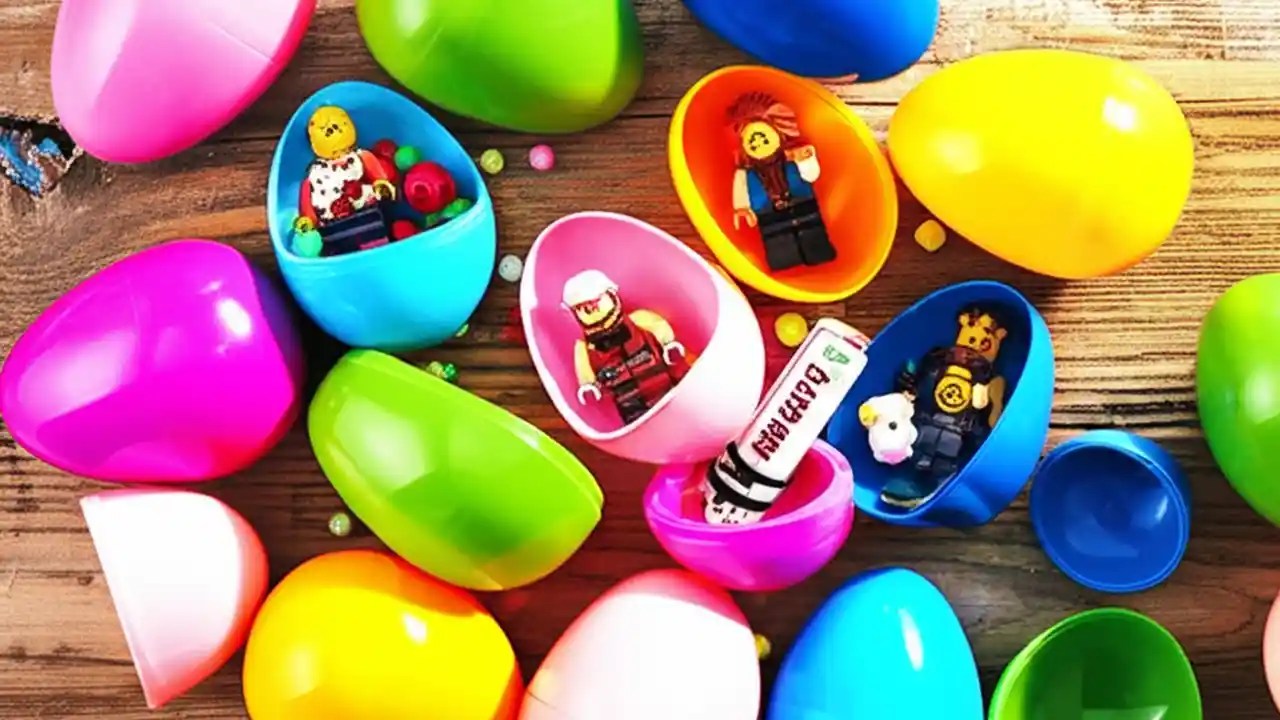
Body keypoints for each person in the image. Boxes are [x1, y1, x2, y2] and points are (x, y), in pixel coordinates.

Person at [874, 307, 1009, 510]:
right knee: (916, 449)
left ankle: (936, 482)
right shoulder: (936, 365)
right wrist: (908, 386)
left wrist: (993, 403)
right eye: (972, 338)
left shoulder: (989, 381)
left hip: (957, 434)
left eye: (984, 341)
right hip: (925, 423)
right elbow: (917, 390)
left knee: (944, 455)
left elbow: (992, 420)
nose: (972, 350)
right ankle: (913, 478)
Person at [727, 92, 836, 271]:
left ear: (779, 133)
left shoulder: (795, 156)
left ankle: (818, 255)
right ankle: (786, 264)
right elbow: (740, 188)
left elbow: (811, 176)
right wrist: (742, 208)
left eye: (763, 138)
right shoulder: (745, 172)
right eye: (752, 142)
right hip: (768, 213)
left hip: (803, 205)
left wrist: (806, 159)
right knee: (779, 244)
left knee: (813, 236)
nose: (759, 145)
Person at [564, 270, 688, 425]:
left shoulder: (636, 320)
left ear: (611, 295)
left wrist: (669, 345)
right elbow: (584, 369)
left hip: (663, 383)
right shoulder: (584, 347)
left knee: (683, 408)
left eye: (594, 303)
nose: (591, 310)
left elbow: (657, 325)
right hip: (629, 401)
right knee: (644, 427)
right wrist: (589, 386)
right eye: (582, 308)